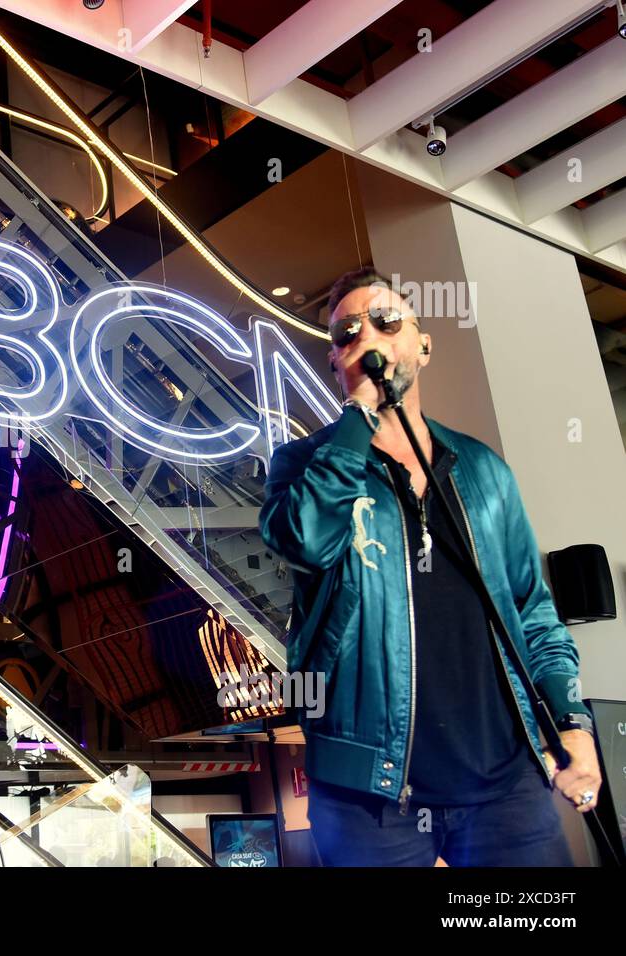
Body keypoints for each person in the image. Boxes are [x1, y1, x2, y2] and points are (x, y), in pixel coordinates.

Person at [259, 268, 601, 866]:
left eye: (387, 322)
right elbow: (307, 542)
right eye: (346, 334)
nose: (367, 338)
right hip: (369, 791)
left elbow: (532, 611)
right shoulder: (303, 463)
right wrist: (358, 421)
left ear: (423, 343)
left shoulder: (482, 469)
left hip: (504, 781)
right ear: (336, 365)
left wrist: (571, 722)